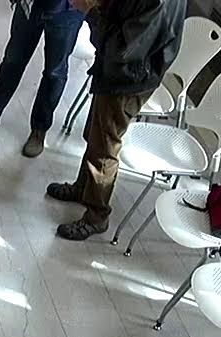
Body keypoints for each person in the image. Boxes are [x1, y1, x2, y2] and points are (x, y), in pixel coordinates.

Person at [48, 0, 188, 240]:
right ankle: (83, 189)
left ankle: (96, 216)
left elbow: (122, 48)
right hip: (118, 70)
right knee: (95, 132)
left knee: (104, 146)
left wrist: (92, 11)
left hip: (128, 77)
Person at [0, 0, 87, 158]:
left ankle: (39, 129)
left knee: (54, 73)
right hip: (30, 5)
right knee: (13, 59)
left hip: (67, 11)